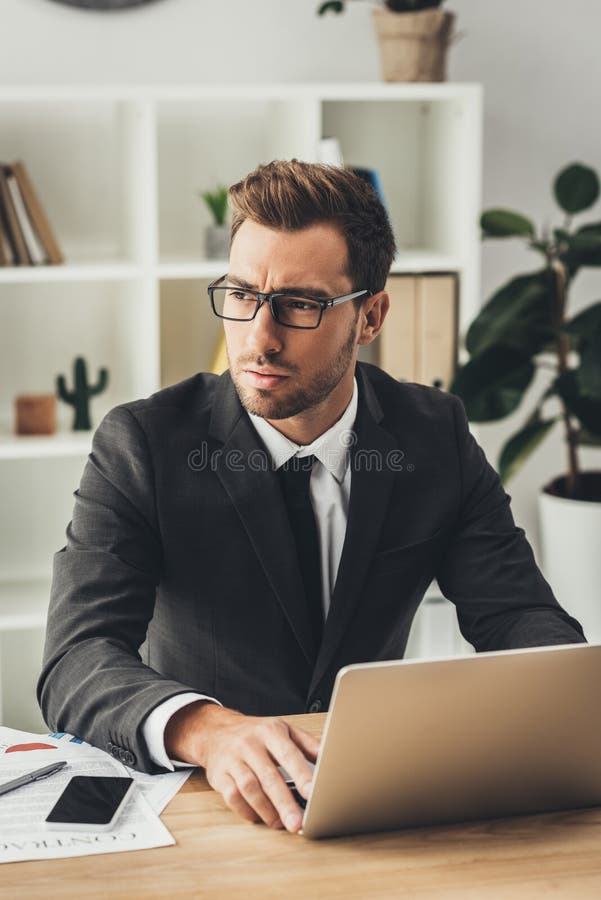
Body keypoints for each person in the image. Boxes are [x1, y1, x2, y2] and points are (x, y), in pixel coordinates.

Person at [37, 160, 585, 836]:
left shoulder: (433, 434)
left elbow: (518, 616)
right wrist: (209, 730)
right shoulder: (143, 443)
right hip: (203, 804)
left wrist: (557, 704)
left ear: (370, 316)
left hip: (373, 800)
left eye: (300, 304)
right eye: (241, 294)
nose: (258, 339)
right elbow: (77, 657)